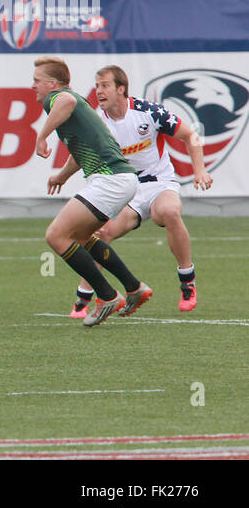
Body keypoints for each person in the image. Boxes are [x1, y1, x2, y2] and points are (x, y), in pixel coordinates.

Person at [51, 65, 211, 318]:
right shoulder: (97, 120)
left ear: (121, 89)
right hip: (128, 188)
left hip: (159, 183)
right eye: (97, 86)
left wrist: (200, 170)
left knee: (168, 212)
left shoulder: (148, 112)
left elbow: (190, 135)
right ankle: (87, 294)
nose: (99, 91)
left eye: (105, 85)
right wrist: (61, 176)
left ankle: (187, 280)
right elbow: (81, 154)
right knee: (102, 233)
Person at [34, 56, 150, 328]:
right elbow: (82, 148)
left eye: (37, 81)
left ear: (52, 83)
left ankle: (107, 297)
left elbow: (67, 101)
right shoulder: (74, 105)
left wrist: (41, 136)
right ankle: (135, 288)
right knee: (82, 238)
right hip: (120, 179)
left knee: (56, 236)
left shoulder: (58, 98)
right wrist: (62, 175)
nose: (33, 86)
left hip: (110, 180)